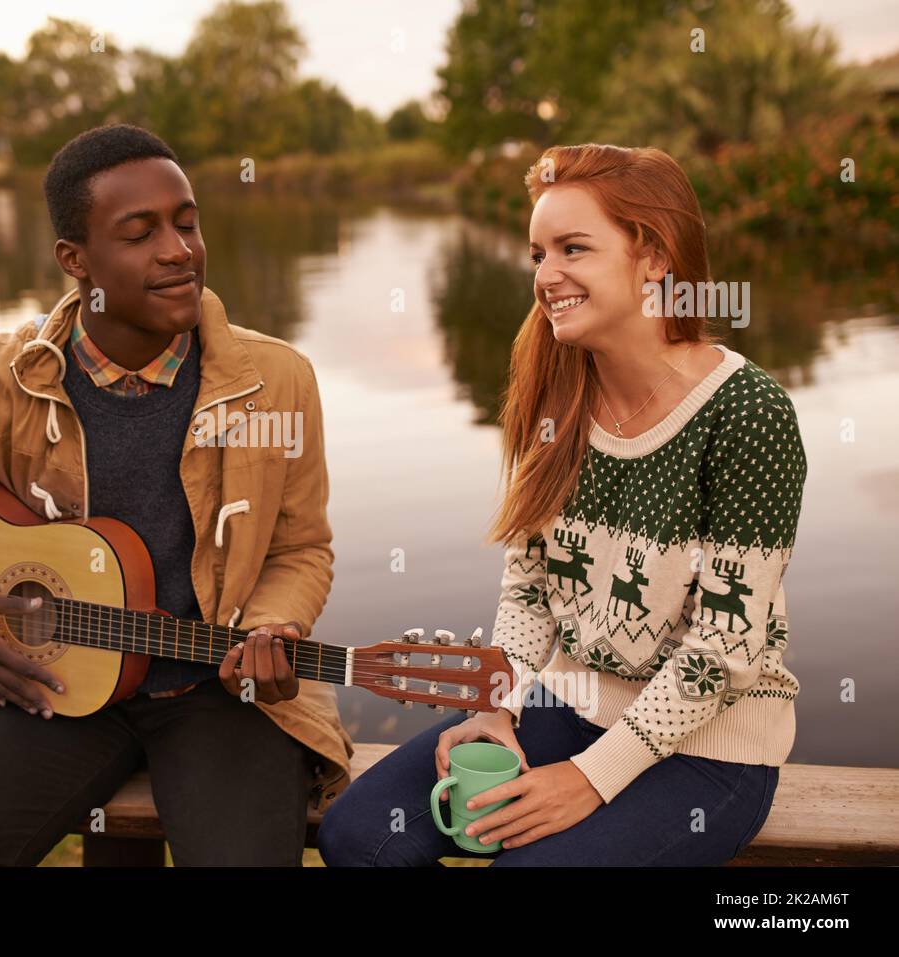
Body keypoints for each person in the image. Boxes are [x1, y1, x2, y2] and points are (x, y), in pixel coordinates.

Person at [0, 123, 353, 866]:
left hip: (220, 695)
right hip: (55, 688)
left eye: (186, 222)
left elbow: (301, 545)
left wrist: (274, 628)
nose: (179, 249)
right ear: (75, 261)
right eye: (140, 233)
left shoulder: (275, 380)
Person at [318, 143, 806, 866]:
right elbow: (530, 588)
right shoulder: (557, 392)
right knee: (361, 836)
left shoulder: (747, 414)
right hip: (569, 706)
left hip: (712, 749)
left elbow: (723, 652)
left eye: (573, 248)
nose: (546, 277)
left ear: (654, 257)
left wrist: (587, 779)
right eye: (538, 253)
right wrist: (496, 705)